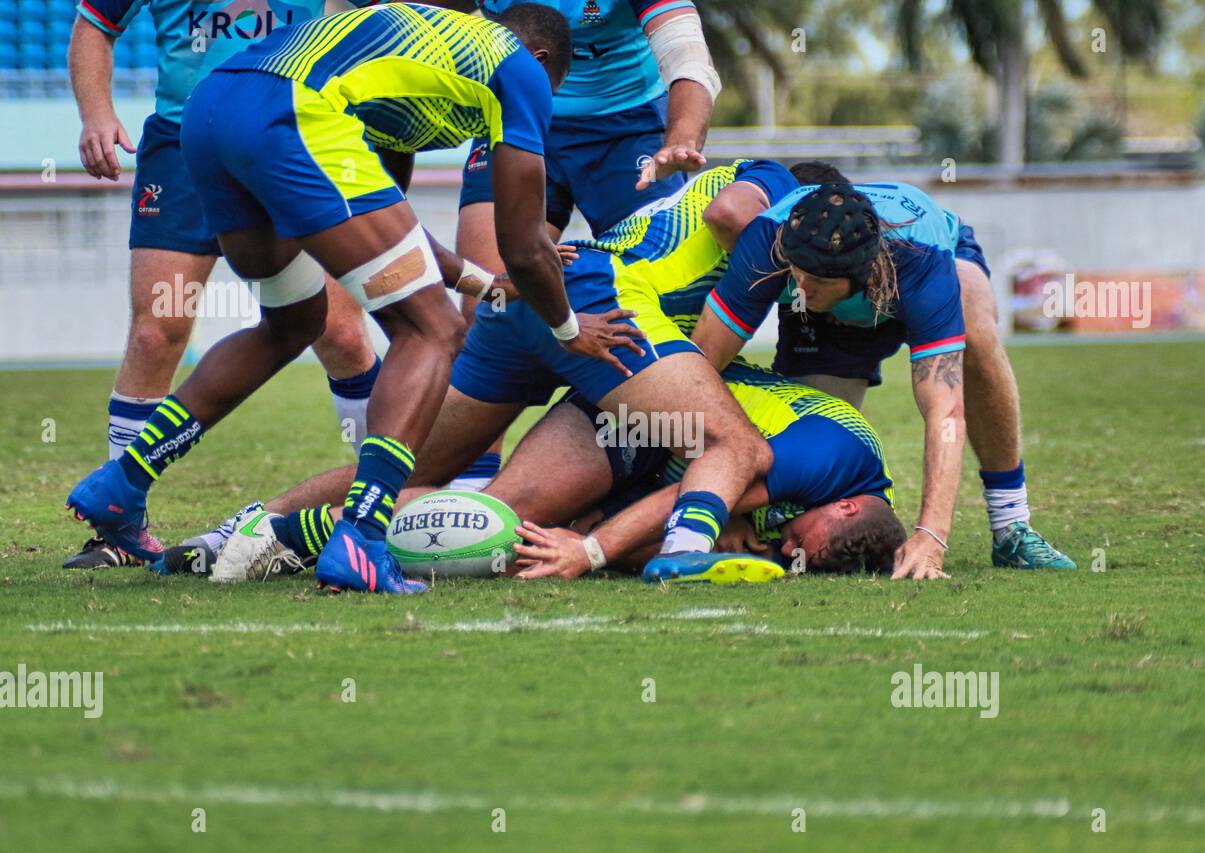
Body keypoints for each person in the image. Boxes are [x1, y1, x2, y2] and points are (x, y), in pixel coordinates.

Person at [66, 3, 636, 595]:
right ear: (543, 60)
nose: (540, 109)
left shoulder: (420, 68)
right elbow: (523, 243)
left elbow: (395, 226)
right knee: (435, 331)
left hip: (213, 110)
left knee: (293, 322)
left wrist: (481, 283)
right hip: (286, 113)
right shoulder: (520, 67)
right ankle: (361, 538)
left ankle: (122, 483)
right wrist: (568, 328)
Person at [204, 159, 801, 585]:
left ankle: (245, 531)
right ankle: (684, 557)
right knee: (733, 444)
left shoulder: (696, 200)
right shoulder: (782, 186)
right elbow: (731, 216)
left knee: (411, 465)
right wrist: (773, 278)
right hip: (598, 302)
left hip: (530, 299)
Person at [64, 0, 384, 569]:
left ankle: (378, 509)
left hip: (290, 134)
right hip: (181, 143)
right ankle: (120, 525)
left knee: (341, 333)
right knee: (156, 332)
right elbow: (95, 24)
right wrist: (96, 114)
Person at [691, 179, 1076, 579]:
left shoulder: (920, 262)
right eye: (796, 274)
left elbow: (945, 410)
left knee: (974, 327)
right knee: (807, 439)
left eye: (817, 281)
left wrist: (933, 535)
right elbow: (697, 377)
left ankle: (1011, 525)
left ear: (864, 274)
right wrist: (727, 506)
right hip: (826, 317)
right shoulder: (768, 243)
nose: (800, 289)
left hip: (929, 265)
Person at [445, 0, 720, 491]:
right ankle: (468, 492)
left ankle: (660, 475)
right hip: (518, 114)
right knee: (485, 303)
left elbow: (688, 56)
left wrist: (679, 139)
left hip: (629, 126)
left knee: (667, 311)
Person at [507, 360, 907, 580]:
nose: (787, 551)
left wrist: (733, 518)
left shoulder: (849, 534)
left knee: (525, 550)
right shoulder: (836, 454)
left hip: (664, 466)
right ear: (846, 507)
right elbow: (690, 494)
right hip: (636, 416)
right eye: (798, 544)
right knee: (503, 519)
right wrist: (589, 553)